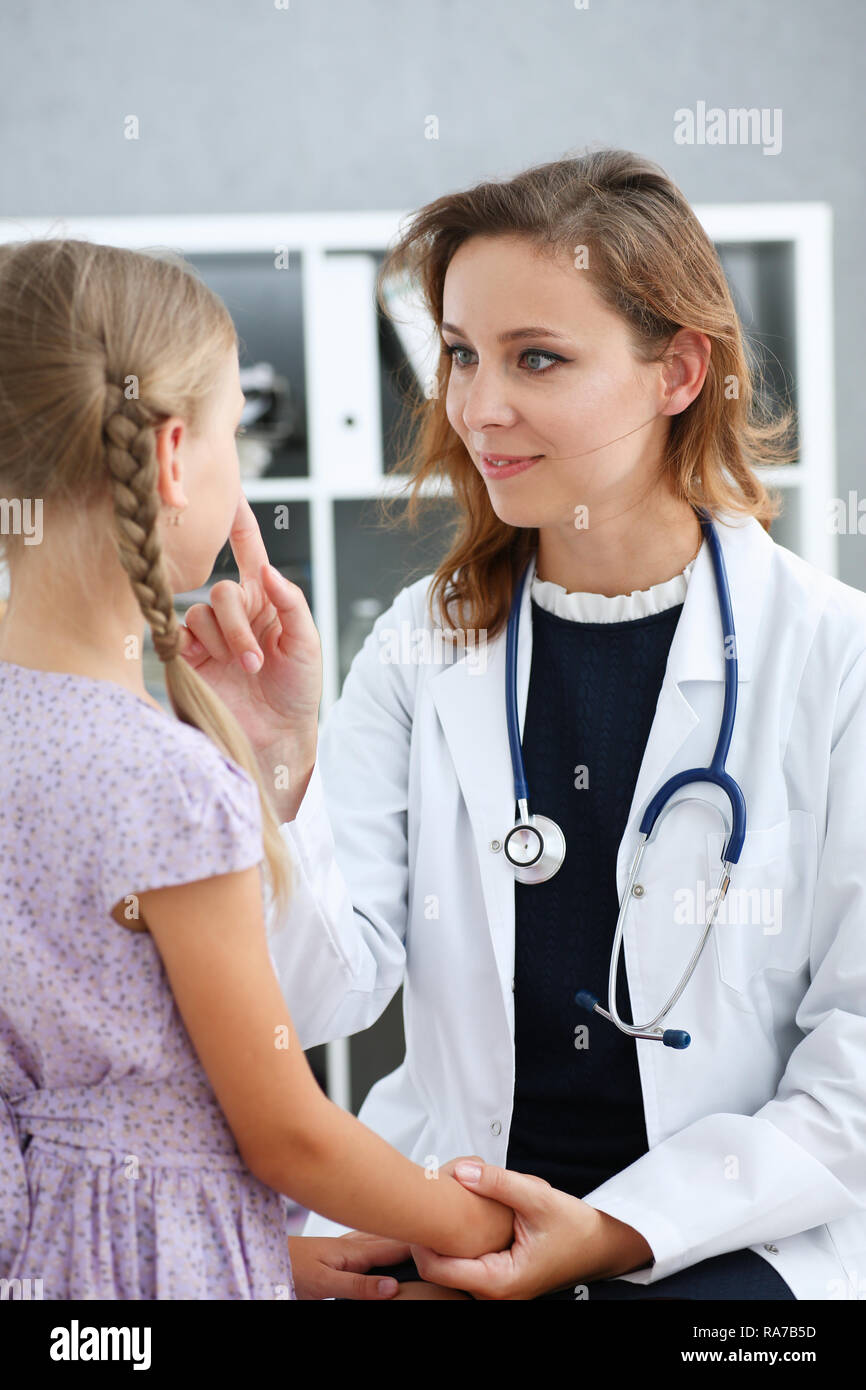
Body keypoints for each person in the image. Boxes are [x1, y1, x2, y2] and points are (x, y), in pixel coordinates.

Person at [178, 148, 866, 1301]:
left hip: (728, 1228)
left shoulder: (830, 655)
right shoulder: (424, 639)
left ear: (677, 372)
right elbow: (319, 999)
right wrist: (274, 774)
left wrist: (609, 1231)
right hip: (452, 1204)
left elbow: (853, 1063)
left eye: (535, 358)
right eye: (459, 354)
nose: (475, 406)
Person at [0, 236, 519, 1300]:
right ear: (175, 456)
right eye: (239, 430)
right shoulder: (165, 783)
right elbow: (291, 1135)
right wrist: (498, 1222)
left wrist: (269, 1253)